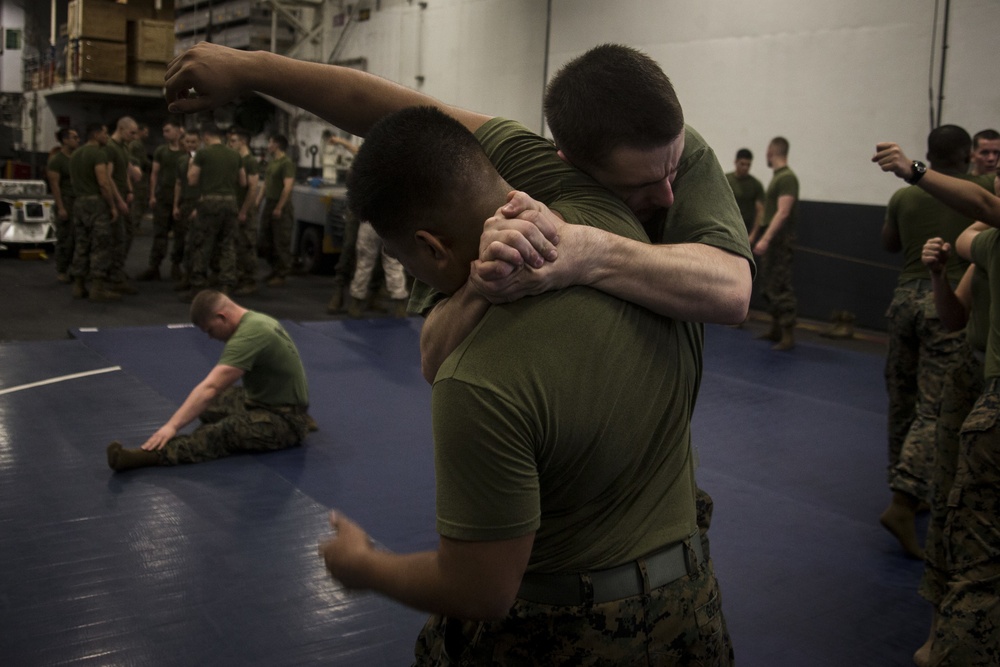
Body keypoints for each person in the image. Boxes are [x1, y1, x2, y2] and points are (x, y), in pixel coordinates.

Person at [164, 38, 752, 588]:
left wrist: (587, 251)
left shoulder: (677, 150)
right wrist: (247, 69)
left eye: (671, 171)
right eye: (645, 184)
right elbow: (387, 108)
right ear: (570, 160)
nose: (669, 198)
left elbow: (731, 291)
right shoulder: (527, 174)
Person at [318, 104, 731, 664]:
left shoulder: (479, 381)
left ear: (431, 247)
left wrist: (363, 566)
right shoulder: (611, 217)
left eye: (404, 259)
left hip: (572, 639)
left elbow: (480, 591)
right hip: (693, 613)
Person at [874, 141, 1000, 667]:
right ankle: (937, 640)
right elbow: (954, 317)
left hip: (985, 394)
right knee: (959, 515)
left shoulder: (983, 225)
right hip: (972, 379)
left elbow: (979, 217)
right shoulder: (988, 242)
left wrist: (914, 171)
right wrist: (937, 275)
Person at [877, 125, 987, 561]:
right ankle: (905, 500)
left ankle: (903, 482)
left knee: (901, 397)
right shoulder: (974, 190)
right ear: (967, 154)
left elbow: (890, 243)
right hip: (945, 301)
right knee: (934, 404)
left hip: (904, 299)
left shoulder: (904, 194)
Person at [107, 289, 313, 471]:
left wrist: (171, 427)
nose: (211, 338)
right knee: (207, 406)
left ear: (222, 316)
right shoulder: (257, 320)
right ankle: (299, 416)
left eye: (210, 330)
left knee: (222, 432)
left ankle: (148, 455)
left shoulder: (250, 335)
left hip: (283, 420)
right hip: (265, 400)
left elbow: (211, 387)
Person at [747, 137, 799, 350]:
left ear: (771, 152)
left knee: (780, 285)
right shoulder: (779, 177)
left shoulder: (787, 177)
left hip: (779, 239)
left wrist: (766, 239)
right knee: (769, 285)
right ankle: (776, 328)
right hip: (774, 238)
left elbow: (783, 212)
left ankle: (788, 335)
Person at [184, 125, 246, 300]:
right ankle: (226, 285)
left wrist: (193, 167)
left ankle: (198, 286)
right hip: (230, 202)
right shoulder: (235, 155)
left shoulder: (203, 154)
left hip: (210, 202)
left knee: (203, 243)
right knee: (227, 245)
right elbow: (242, 181)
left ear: (206, 137)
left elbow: (192, 179)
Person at [68, 123, 120, 303]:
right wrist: (112, 206)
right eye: (105, 133)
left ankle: (78, 285)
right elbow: (103, 183)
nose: (107, 137)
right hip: (95, 204)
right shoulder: (98, 154)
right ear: (96, 134)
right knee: (100, 245)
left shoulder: (75, 154)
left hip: (79, 202)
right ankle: (97, 288)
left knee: (81, 243)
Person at [140, 120, 186, 282]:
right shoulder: (161, 151)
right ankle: (154, 266)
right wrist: (152, 195)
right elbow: (154, 174)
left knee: (181, 234)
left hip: (181, 198)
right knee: (160, 233)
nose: (165, 134)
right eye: (164, 131)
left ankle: (176, 266)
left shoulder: (186, 152)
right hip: (163, 196)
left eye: (167, 131)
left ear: (178, 131)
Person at [346, 219, 410, 318]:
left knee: (364, 264)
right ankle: (400, 306)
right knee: (394, 264)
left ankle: (356, 304)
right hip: (392, 220)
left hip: (370, 220)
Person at [105, 116, 139, 294]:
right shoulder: (110, 147)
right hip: (116, 199)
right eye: (131, 132)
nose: (134, 136)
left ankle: (117, 270)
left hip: (124, 196)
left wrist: (130, 190)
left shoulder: (123, 147)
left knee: (128, 234)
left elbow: (124, 170)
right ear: (121, 128)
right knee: (118, 238)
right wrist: (118, 200)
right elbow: (108, 177)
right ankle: (113, 276)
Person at [258, 134, 296, 287]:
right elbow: (266, 184)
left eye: (270, 141)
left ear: (277, 144)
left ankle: (281, 274)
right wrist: (257, 202)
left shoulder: (286, 163)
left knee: (281, 241)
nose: (268, 145)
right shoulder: (272, 162)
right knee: (266, 240)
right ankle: (274, 269)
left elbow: (288, 187)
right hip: (269, 203)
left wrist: (279, 207)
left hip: (281, 206)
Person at [227, 128, 261, 295]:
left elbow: (253, 188)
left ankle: (250, 281)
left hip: (245, 211)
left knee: (247, 245)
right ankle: (240, 278)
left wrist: (244, 210)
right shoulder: (238, 160)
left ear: (242, 142)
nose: (230, 144)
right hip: (237, 208)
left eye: (233, 141)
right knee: (238, 246)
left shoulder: (250, 161)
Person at [46, 127, 80, 284]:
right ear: (65, 140)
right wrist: (60, 207)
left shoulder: (77, 157)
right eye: (74, 137)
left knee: (78, 238)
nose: (77, 140)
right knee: (65, 238)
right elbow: (55, 186)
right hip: (65, 200)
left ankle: (75, 269)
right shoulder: (57, 160)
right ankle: (61, 270)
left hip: (78, 201)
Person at [173, 131, 201, 291]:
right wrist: (175, 205)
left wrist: (199, 207)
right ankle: (186, 274)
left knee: (195, 242)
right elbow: (178, 184)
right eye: (188, 142)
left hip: (198, 203)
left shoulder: (202, 160)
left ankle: (194, 277)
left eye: (194, 142)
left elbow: (205, 184)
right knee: (182, 239)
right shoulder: (182, 161)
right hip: (185, 203)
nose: (190, 145)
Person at [725, 148, 764, 233]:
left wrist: (753, 235)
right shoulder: (725, 180)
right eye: (742, 164)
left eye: (748, 165)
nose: (745, 168)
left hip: (746, 228)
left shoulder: (755, 184)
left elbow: (760, 211)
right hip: (728, 225)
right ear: (736, 162)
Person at [128, 122, 152, 228]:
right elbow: (141, 161)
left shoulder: (137, 143)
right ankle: (134, 225)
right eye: (145, 132)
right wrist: (155, 165)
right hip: (138, 177)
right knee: (139, 201)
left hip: (138, 175)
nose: (147, 135)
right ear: (140, 131)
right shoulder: (136, 144)